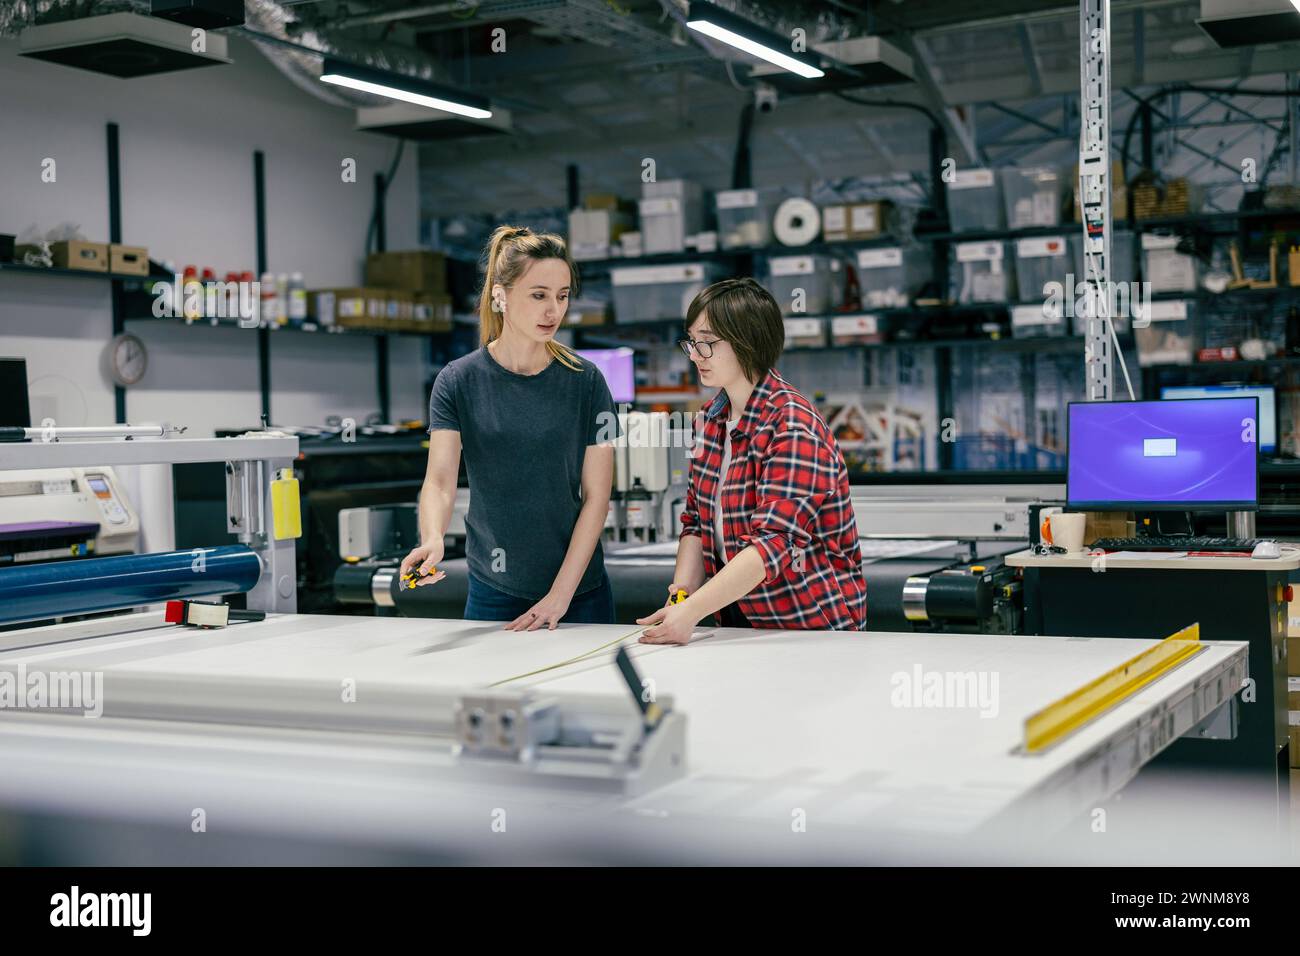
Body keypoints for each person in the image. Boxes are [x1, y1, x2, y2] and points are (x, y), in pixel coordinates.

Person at [400, 225, 618, 629]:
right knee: (492, 693)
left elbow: (597, 496)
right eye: (538, 295)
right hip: (493, 590)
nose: (554, 310)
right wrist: (431, 538)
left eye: (562, 295)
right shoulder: (457, 381)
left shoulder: (587, 381)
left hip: (579, 593)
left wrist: (560, 596)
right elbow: (441, 481)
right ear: (500, 295)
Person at [637, 277, 866, 644]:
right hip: (739, 624)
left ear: (748, 342)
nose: (695, 355)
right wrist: (681, 594)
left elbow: (773, 544)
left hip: (810, 631)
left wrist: (692, 611)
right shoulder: (710, 420)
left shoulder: (792, 425)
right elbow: (695, 520)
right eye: (692, 343)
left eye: (707, 343)